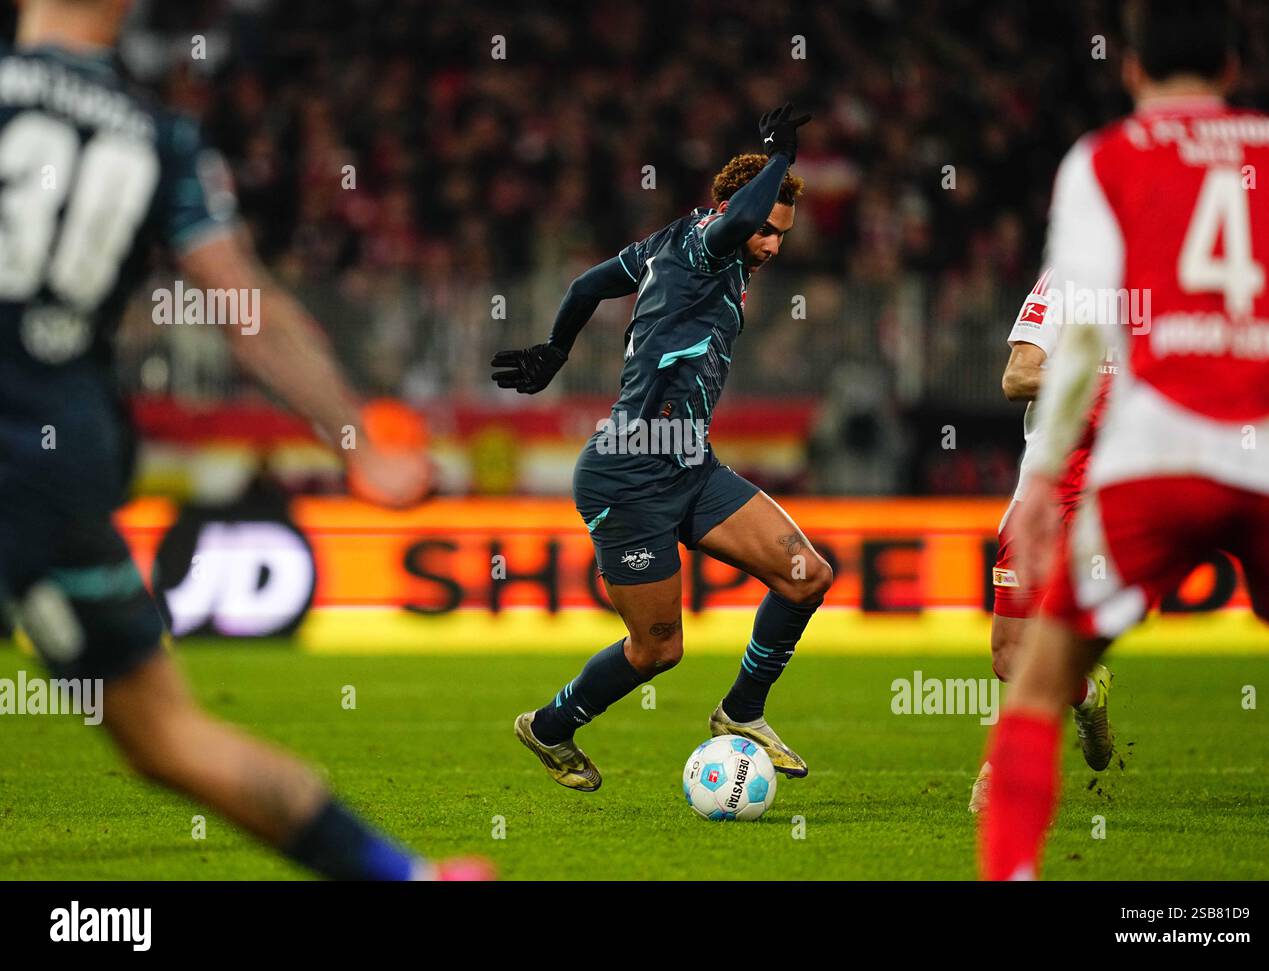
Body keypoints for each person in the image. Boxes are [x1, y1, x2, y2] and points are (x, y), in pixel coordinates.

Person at [0, 0, 489, 880]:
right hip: (56, 467)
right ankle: (403, 876)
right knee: (163, 731)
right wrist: (357, 439)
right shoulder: (157, 135)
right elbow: (244, 306)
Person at [979, 0, 1269, 880]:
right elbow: (1031, 365)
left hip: (1152, 458)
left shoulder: (1107, 163)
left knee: (1038, 680)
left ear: (1130, 71)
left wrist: (1042, 480)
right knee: (1021, 656)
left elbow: (1078, 355)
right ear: (1235, 70)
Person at [492, 105, 834, 792]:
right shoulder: (710, 240)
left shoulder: (665, 242)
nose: (770, 246)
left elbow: (587, 284)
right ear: (735, 211)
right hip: (628, 472)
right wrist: (780, 160)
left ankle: (741, 711)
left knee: (807, 575)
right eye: (766, 230)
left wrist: (556, 351)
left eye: (781, 237)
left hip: (689, 463)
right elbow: (736, 223)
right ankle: (551, 725)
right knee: (658, 650)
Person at [968, 268, 1116, 814]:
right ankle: (1085, 693)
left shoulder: (1176, 289)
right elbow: (1017, 379)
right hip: (1049, 489)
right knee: (1010, 656)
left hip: (1121, 493)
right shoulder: (1069, 282)